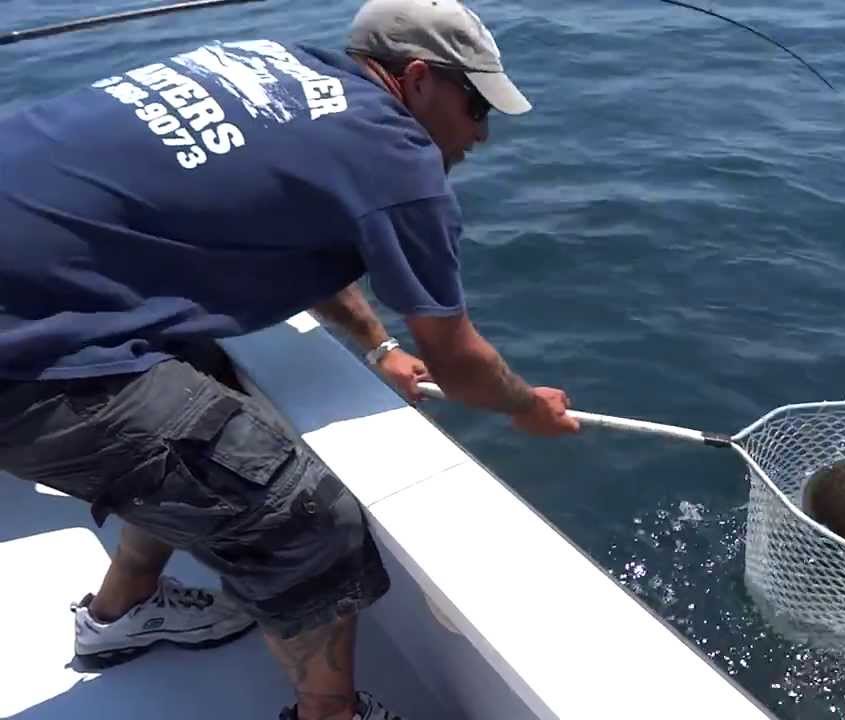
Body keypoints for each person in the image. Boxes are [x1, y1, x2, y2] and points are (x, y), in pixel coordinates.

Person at [0, 0, 580, 718]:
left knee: (205, 401)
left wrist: (379, 345)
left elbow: (287, 225)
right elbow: (458, 360)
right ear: (421, 78)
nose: (482, 134)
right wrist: (530, 409)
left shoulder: (273, 67)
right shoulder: (396, 153)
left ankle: (122, 614)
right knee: (304, 517)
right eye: (475, 105)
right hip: (23, 359)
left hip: (34, 289)